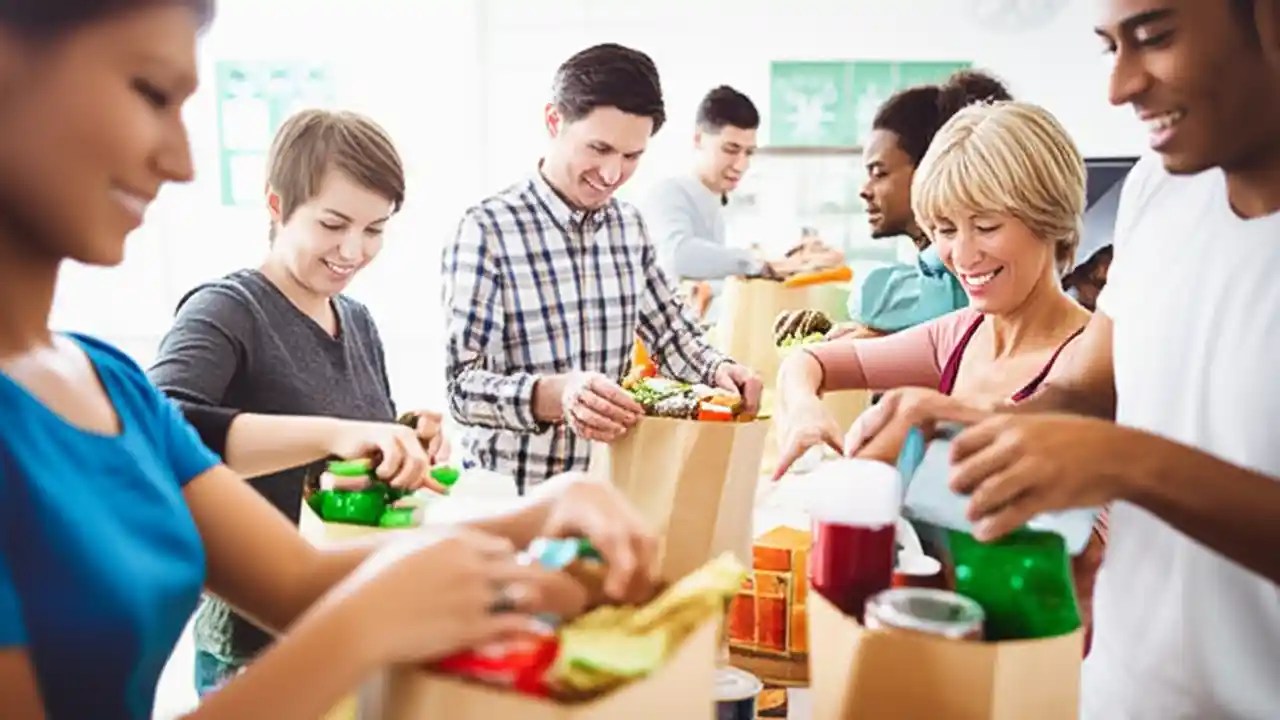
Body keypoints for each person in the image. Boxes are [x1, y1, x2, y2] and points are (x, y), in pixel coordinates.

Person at [0, 3, 656, 718]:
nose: (183, 163)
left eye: (373, 229)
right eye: (150, 93)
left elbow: (299, 577)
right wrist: (362, 627)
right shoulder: (222, 313)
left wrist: (542, 514)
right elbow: (319, 591)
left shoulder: (110, 383)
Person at [849, 1, 1280, 716]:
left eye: (1155, 37)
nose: (1119, 86)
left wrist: (1126, 462)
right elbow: (1088, 390)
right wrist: (967, 415)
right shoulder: (1159, 189)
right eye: (1110, 46)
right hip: (1118, 691)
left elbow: (1115, 444)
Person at [148, 108, 451, 694]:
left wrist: (403, 437)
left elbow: (346, 454)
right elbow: (160, 428)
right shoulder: (227, 310)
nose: (354, 250)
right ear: (277, 206)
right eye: (333, 223)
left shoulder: (357, 320)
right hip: (254, 646)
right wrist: (332, 432)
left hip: (345, 618)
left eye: (375, 229)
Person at [442, 43, 762, 492]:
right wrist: (558, 394)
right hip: (511, 506)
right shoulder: (486, 230)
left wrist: (719, 371)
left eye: (632, 157)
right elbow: (462, 389)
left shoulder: (629, 227)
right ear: (555, 121)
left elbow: (672, 333)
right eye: (599, 148)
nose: (612, 174)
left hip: (606, 496)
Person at [830, 70, 1012, 340]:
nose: (864, 191)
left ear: (929, 171)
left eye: (879, 173)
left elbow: (873, 299)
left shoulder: (962, 275)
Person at [642, 86, 811, 283]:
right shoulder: (668, 193)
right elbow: (678, 255)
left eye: (749, 153)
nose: (741, 165)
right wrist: (756, 264)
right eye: (731, 150)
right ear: (698, 139)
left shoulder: (726, 202)